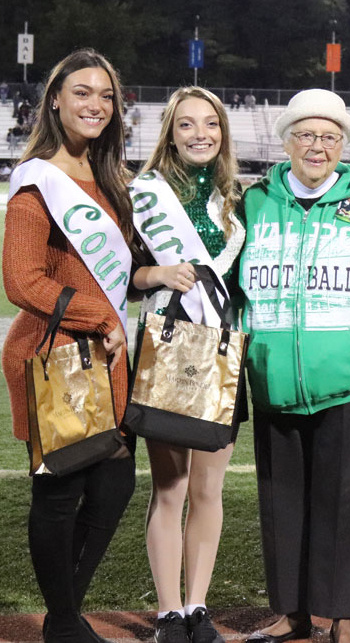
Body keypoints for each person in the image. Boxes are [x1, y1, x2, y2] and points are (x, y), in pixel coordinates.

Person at [239, 88, 350, 643]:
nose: (317, 147)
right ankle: (292, 613)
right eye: (306, 135)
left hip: (347, 387)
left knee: (345, 507)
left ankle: (343, 616)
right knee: (282, 506)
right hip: (272, 382)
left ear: (343, 145)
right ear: (287, 141)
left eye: (329, 137)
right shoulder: (254, 203)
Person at [1, 48, 137, 643]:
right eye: (83, 92)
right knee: (62, 491)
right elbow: (22, 279)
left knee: (113, 486)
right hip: (57, 355)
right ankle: (64, 620)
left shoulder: (108, 179)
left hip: (105, 357)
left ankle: (64, 614)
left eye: (106, 96)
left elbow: (117, 273)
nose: (96, 105)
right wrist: (97, 314)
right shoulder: (38, 181)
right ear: (54, 99)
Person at [129, 86, 245, 643]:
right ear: (169, 133)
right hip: (169, 348)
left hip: (221, 353)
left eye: (210, 125)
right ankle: (169, 614)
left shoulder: (234, 200)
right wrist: (159, 274)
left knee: (208, 491)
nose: (200, 134)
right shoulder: (146, 195)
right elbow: (125, 276)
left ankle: (198, 608)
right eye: (186, 125)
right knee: (170, 487)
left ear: (223, 133)